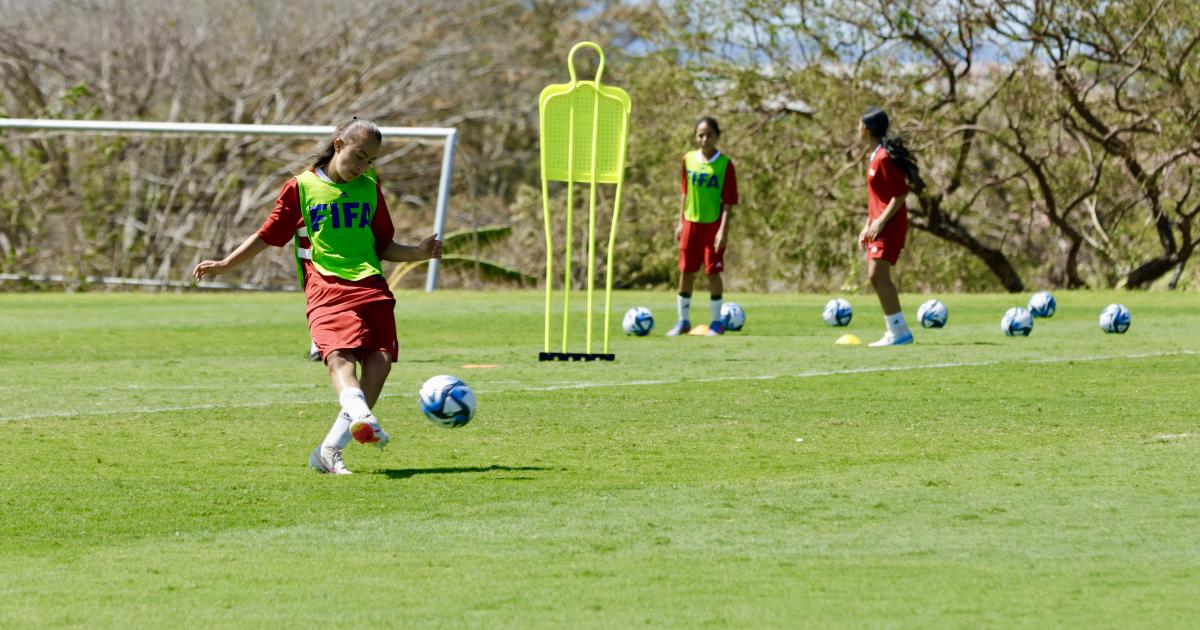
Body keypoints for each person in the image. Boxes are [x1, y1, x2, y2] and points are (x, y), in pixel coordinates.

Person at [193, 118, 443, 474]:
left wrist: (419, 252)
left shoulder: (370, 185)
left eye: (370, 161)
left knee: (380, 362)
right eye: (358, 157)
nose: (362, 167)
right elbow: (269, 234)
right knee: (339, 358)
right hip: (326, 286)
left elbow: (383, 245)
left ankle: (329, 450)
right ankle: (362, 417)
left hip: (371, 284)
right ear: (338, 145)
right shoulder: (302, 187)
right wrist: (227, 263)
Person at [667, 116, 739, 336]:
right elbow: (684, 192)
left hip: (712, 225)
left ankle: (717, 322)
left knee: (712, 273)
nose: (704, 139)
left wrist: (722, 231)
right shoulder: (688, 160)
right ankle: (683, 321)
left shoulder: (724, 164)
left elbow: (728, 201)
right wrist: (680, 221)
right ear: (695, 136)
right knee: (686, 271)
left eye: (709, 134)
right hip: (690, 224)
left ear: (717, 136)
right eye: (700, 134)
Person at [857, 107, 919, 346]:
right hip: (879, 224)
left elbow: (900, 193)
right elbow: (878, 197)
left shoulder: (883, 157)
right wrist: (867, 224)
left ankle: (898, 331)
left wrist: (880, 223)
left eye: (859, 125)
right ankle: (896, 330)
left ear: (867, 129)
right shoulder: (874, 155)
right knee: (876, 275)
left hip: (889, 225)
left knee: (876, 274)